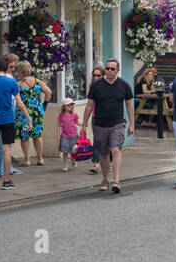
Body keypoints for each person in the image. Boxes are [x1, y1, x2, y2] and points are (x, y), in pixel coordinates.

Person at [80, 57, 134, 193]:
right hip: (99, 124)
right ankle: (105, 179)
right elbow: (89, 105)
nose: (109, 71)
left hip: (117, 123)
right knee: (103, 153)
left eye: (112, 69)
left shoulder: (124, 85)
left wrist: (131, 124)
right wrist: (84, 124)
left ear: (118, 70)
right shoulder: (97, 85)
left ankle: (116, 181)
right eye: (107, 68)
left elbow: (129, 104)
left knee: (115, 150)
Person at [0, 55, 32, 190]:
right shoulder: (11, 83)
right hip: (8, 118)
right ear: (6, 67)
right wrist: (28, 118)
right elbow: (19, 103)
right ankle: (7, 180)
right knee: (7, 149)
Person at [15, 61, 52, 167]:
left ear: (21, 71)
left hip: (24, 112)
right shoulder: (38, 82)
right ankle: (40, 158)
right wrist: (44, 105)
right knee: (37, 135)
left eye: (18, 71)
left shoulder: (20, 84)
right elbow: (49, 92)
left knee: (24, 136)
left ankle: (27, 160)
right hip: (37, 110)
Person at [57, 98, 79, 171]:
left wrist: (83, 124)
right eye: (68, 105)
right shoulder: (61, 116)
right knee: (65, 151)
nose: (70, 106)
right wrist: (58, 136)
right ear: (64, 106)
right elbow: (58, 126)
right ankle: (65, 165)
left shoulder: (74, 115)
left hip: (74, 135)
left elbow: (77, 123)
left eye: (71, 105)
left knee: (73, 150)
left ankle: (73, 160)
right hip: (64, 135)